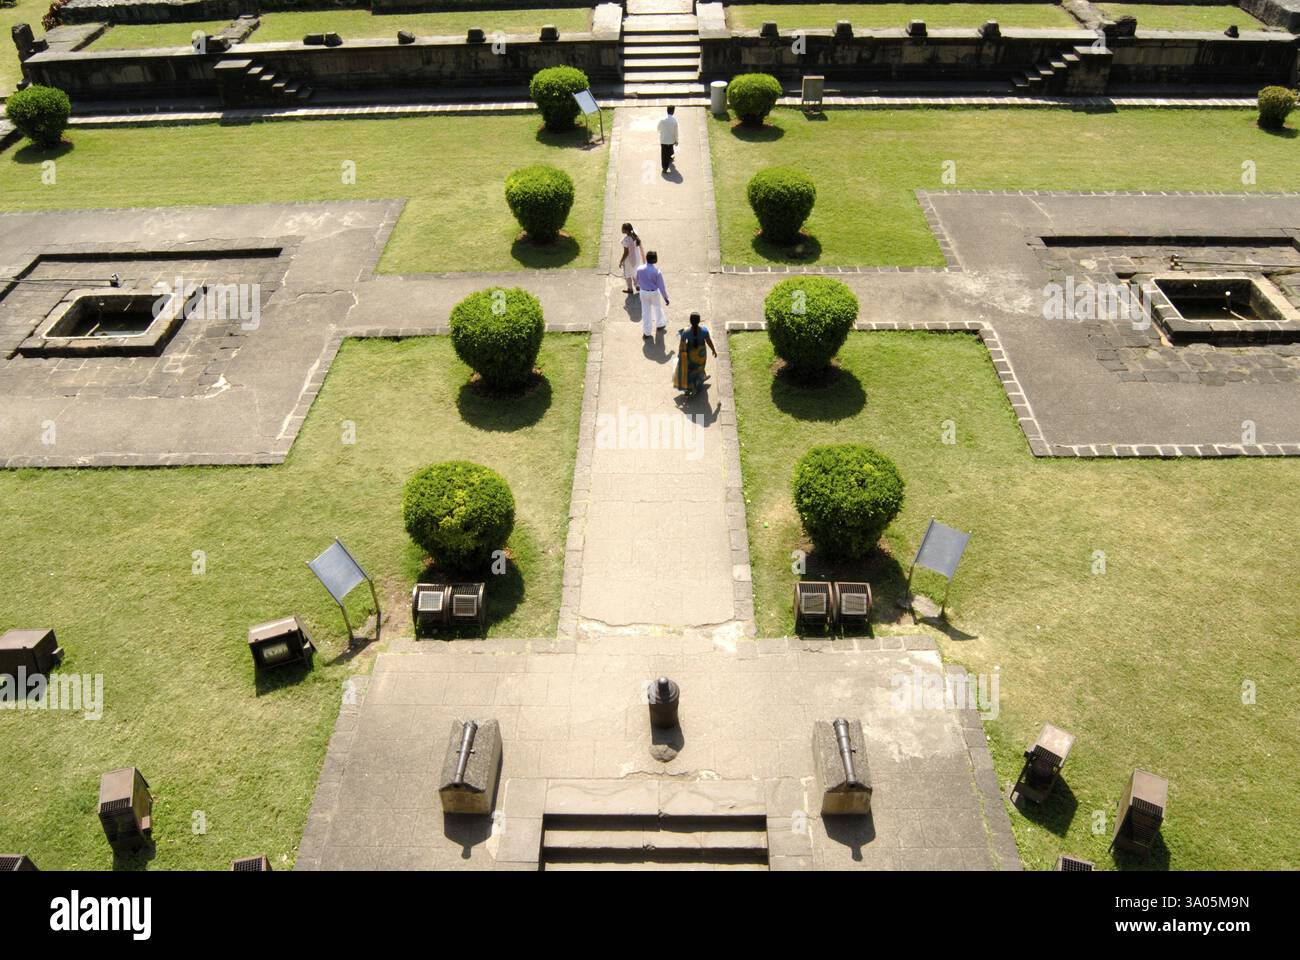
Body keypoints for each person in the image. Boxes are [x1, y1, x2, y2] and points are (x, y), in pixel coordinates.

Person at [674, 312, 717, 397]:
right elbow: (708, 341)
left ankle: (690, 386)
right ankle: (696, 385)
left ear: (690, 321)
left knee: (691, 370)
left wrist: (681, 356)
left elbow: (682, 346)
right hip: (701, 354)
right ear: (699, 321)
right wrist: (713, 350)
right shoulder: (704, 330)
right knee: (699, 368)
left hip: (691, 354)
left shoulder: (686, 332)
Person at [635, 251, 669, 339]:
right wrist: (666, 298)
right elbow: (662, 287)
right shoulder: (657, 271)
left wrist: (639, 286)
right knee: (657, 308)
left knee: (646, 312)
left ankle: (647, 333)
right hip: (654, 293)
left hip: (643, 292)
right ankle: (660, 324)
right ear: (654, 259)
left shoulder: (639, 269)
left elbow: (637, 280)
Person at [618, 222, 643, 295]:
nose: (621, 229)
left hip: (629, 259)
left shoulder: (626, 240)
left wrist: (621, 261)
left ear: (625, 230)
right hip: (636, 257)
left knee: (628, 273)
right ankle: (637, 286)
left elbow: (626, 252)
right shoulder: (635, 235)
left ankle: (630, 289)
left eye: (622, 228)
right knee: (635, 271)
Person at [657, 105, 679, 174]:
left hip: (663, 140)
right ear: (673, 111)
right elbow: (676, 132)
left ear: (667, 110)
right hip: (671, 140)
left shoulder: (662, 120)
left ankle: (664, 168)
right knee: (670, 149)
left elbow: (658, 128)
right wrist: (676, 140)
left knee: (664, 154)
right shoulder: (674, 121)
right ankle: (670, 158)